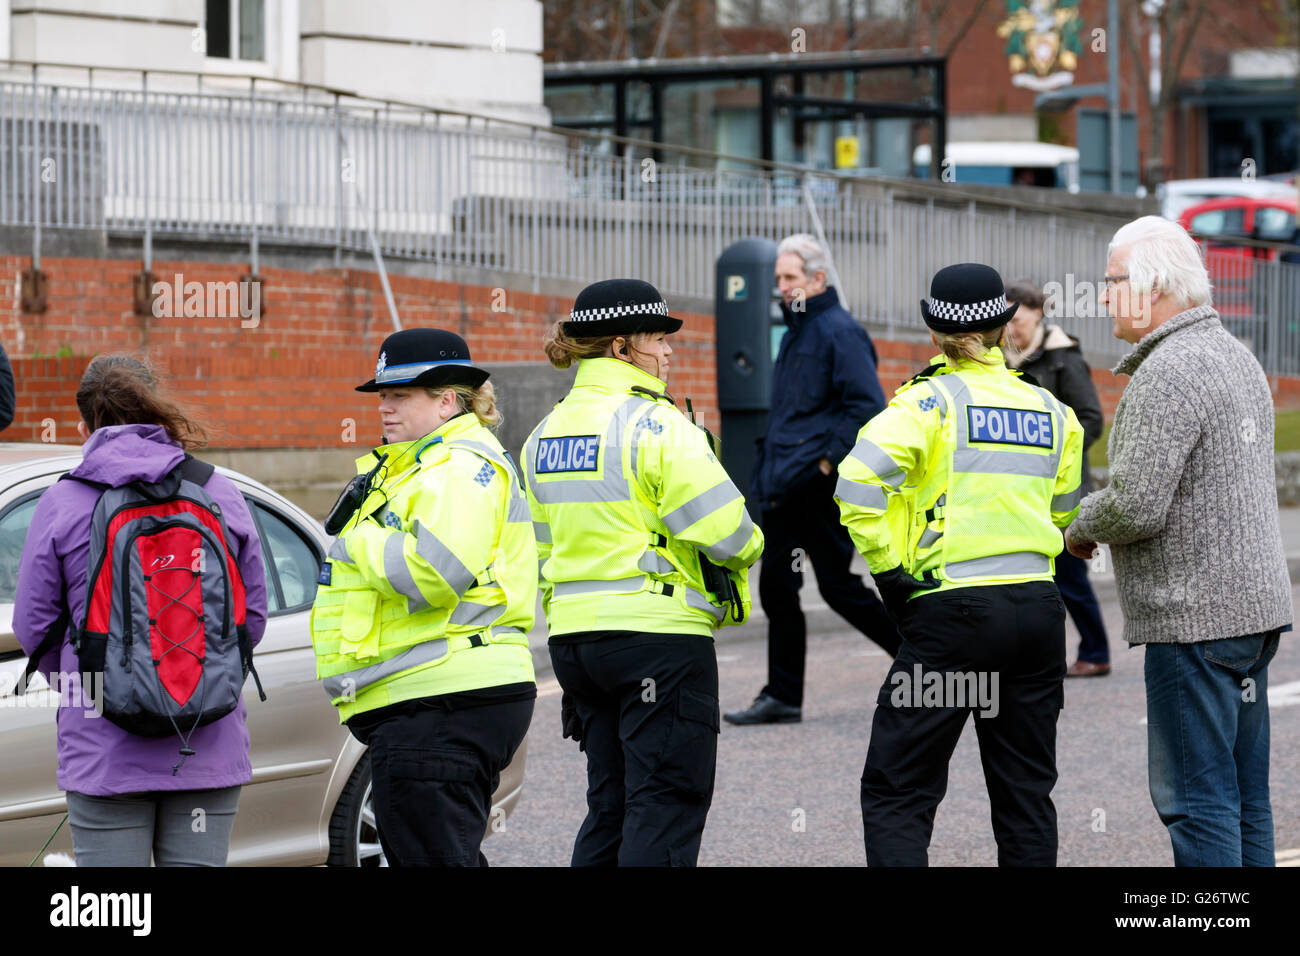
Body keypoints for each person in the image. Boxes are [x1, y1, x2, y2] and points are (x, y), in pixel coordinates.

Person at [837, 263, 1084, 867]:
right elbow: (1063, 507)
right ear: (1004, 326)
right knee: (1025, 794)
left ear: (934, 331)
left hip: (954, 618)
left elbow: (856, 482)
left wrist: (891, 574)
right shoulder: (1051, 411)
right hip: (1036, 612)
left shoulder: (927, 403)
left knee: (901, 790)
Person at [1065, 216, 1292, 867]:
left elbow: (1136, 504)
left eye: (1110, 282)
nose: (1103, 297)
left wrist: (1079, 527)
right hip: (1251, 613)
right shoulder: (1234, 354)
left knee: (1196, 800)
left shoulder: (1167, 373)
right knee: (1246, 795)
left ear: (1152, 286)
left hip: (1194, 618)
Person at [524, 278, 763, 867]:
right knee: (665, 803)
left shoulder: (542, 435)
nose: (668, 352)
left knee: (610, 804)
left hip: (575, 643)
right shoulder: (656, 425)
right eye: (657, 339)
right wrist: (754, 541)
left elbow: (540, 544)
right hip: (658, 638)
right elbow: (729, 533)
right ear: (620, 349)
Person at [13, 355, 268, 866]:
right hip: (207, 740)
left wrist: (91, 683)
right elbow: (252, 618)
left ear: (84, 423)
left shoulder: (63, 501)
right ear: (159, 411)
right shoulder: (217, 490)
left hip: (104, 750)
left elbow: (33, 628)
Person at [311, 328, 537, 867]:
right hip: (435, 697)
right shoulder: (424, 465)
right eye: (383, 395)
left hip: (440, 699)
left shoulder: (458, 466)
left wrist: (357, 539)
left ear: (446, 400)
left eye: (400, 395)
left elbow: (436, 574)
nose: (385, 408)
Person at [726, 233, 901, 726]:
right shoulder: (799, 329)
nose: (780, 287)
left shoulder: (838, 331)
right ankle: (783, 695)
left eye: (789, 278)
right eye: (778, 279)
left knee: (837, 588)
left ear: (817, 279)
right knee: (778, 588)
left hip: (815, 485)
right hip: (783, 482)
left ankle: (920, 662)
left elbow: (865, 407)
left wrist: (825, 466)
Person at [1004, 278, 1111, 677]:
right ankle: (1037, 657)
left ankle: (1097, 651)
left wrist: (1051, 452)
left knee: (1069, 573)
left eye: (1019, 316)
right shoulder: (1001, 359)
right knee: (1029, 575)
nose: (1011, 325)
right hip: (1019, 487)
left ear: (1038, 313)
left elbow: (1090, 419)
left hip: (1059, 487)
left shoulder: (1063, 357)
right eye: (1006, 317)